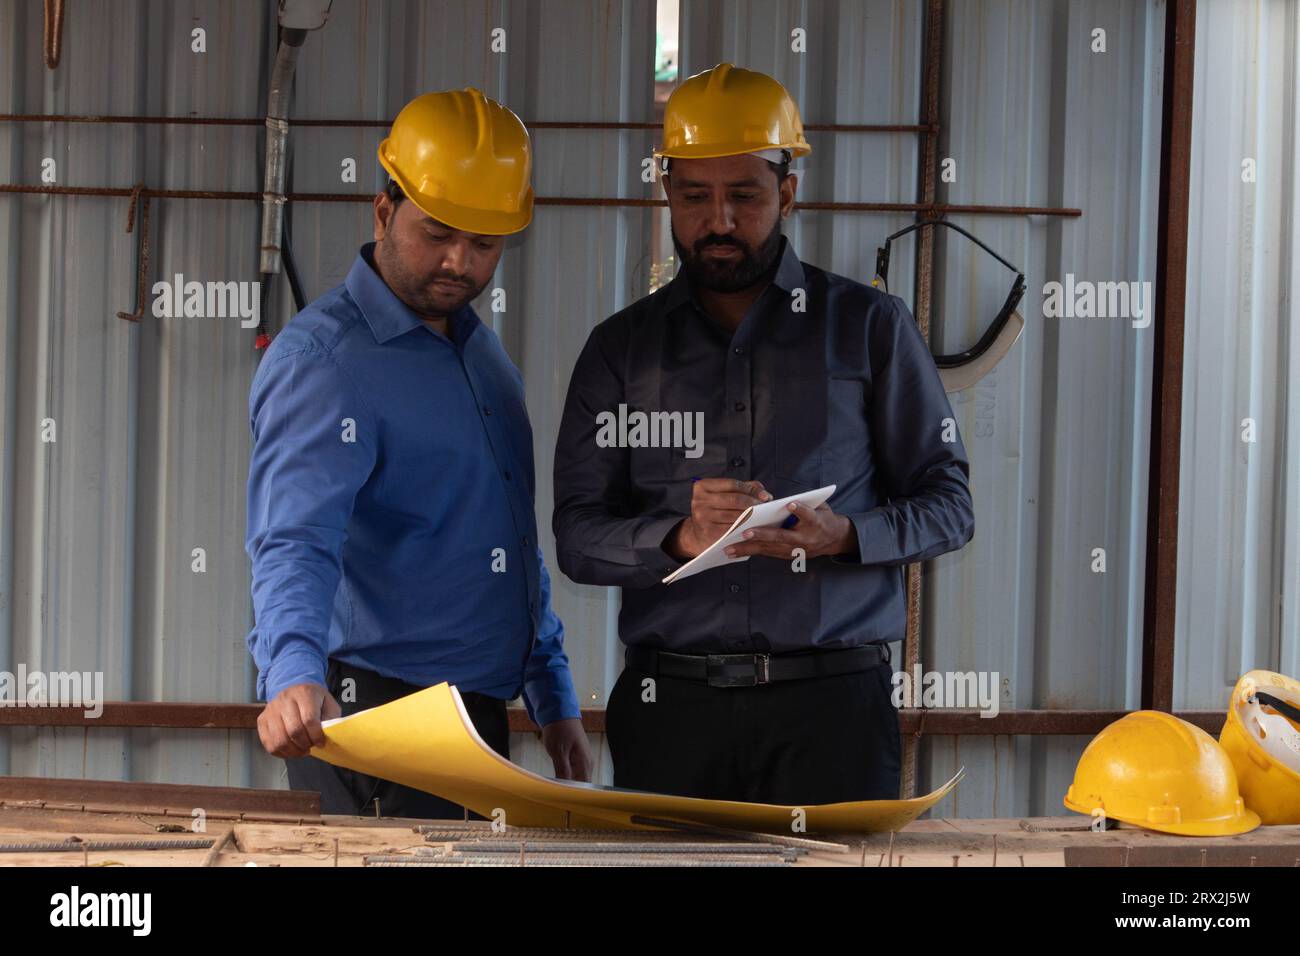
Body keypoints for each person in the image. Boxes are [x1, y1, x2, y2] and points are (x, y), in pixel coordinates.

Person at [552, 64, 973, 806]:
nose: (718, 220)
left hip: (832, 709)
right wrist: (679, 537)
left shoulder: (869, 328)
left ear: (787, 191)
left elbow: (949, 505)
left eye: (743, 195)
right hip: (669, 710)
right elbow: (578, 536)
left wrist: (844, 535)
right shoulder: (621, 350)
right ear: (667, 193)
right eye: (694, 196)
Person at [246, 88, 591, 818]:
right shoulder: (324, 361)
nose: (459, 262)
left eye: (485, 243)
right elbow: (295, 539)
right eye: (437, 233)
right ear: (382, 210)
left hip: (478, 724)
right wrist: (291, 671)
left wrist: (551, 692)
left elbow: (506, 541)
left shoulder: (481, 355)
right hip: (377, 730)